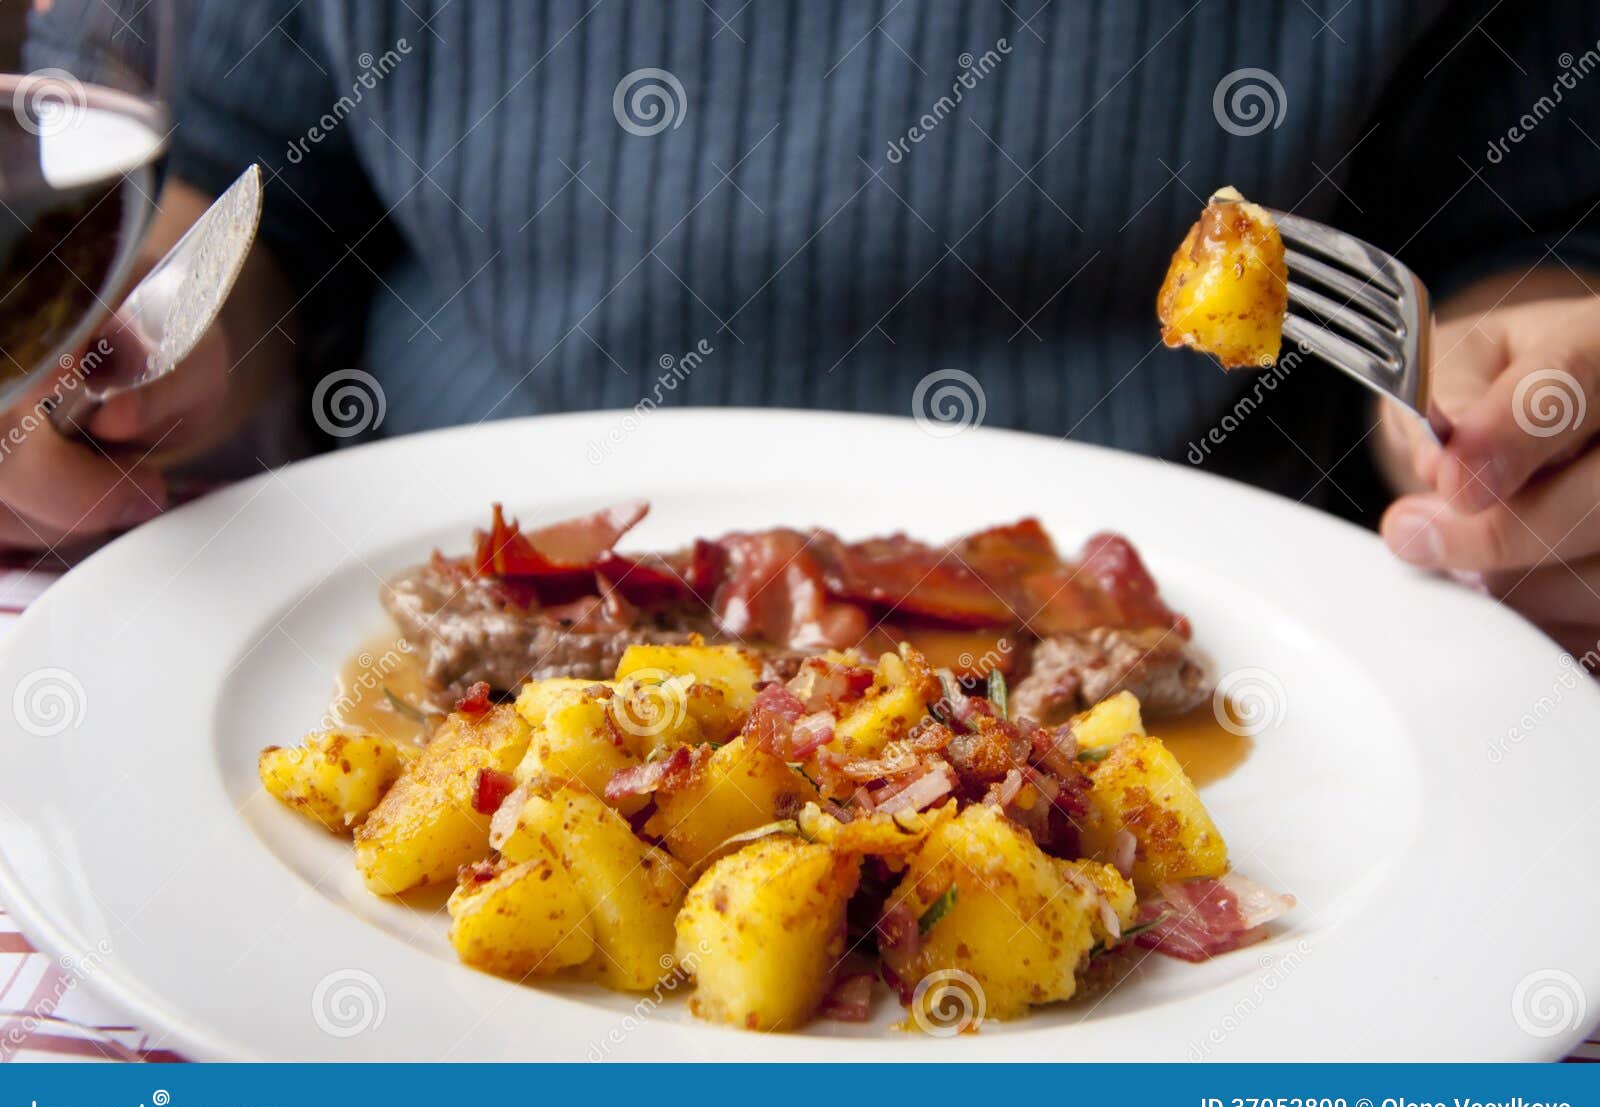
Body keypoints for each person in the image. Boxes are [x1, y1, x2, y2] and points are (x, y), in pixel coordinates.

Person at [4, 1, 1599, 655]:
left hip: (1252, 645)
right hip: (435, 615)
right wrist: (135, 334)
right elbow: (232, 155)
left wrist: (1512, 394)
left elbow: (1527, 220)